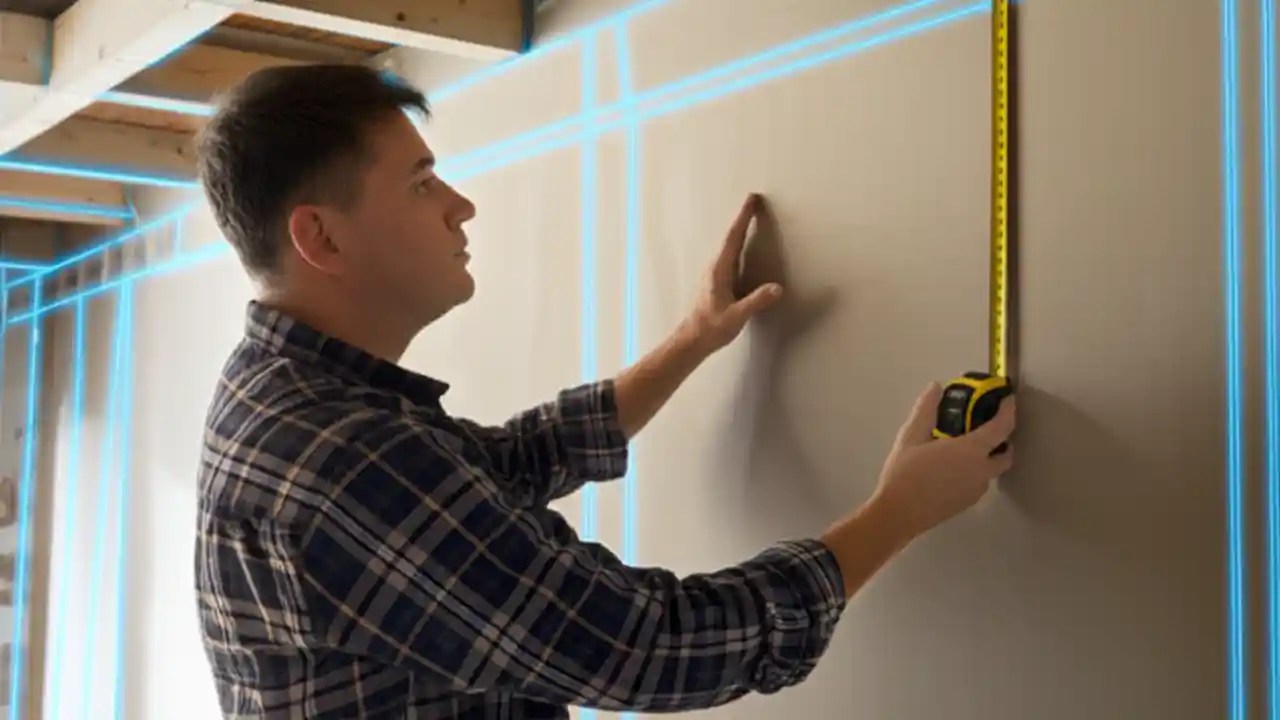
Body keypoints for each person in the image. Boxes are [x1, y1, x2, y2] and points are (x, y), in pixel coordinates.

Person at [192, 63, 1016, 719]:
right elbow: (646, 649)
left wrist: (693, 339)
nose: (460, 206)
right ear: (321, 236)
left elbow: (504, 468)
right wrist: (897, 513)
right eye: (420, 184)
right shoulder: (341, 458)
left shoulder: (284, 393)